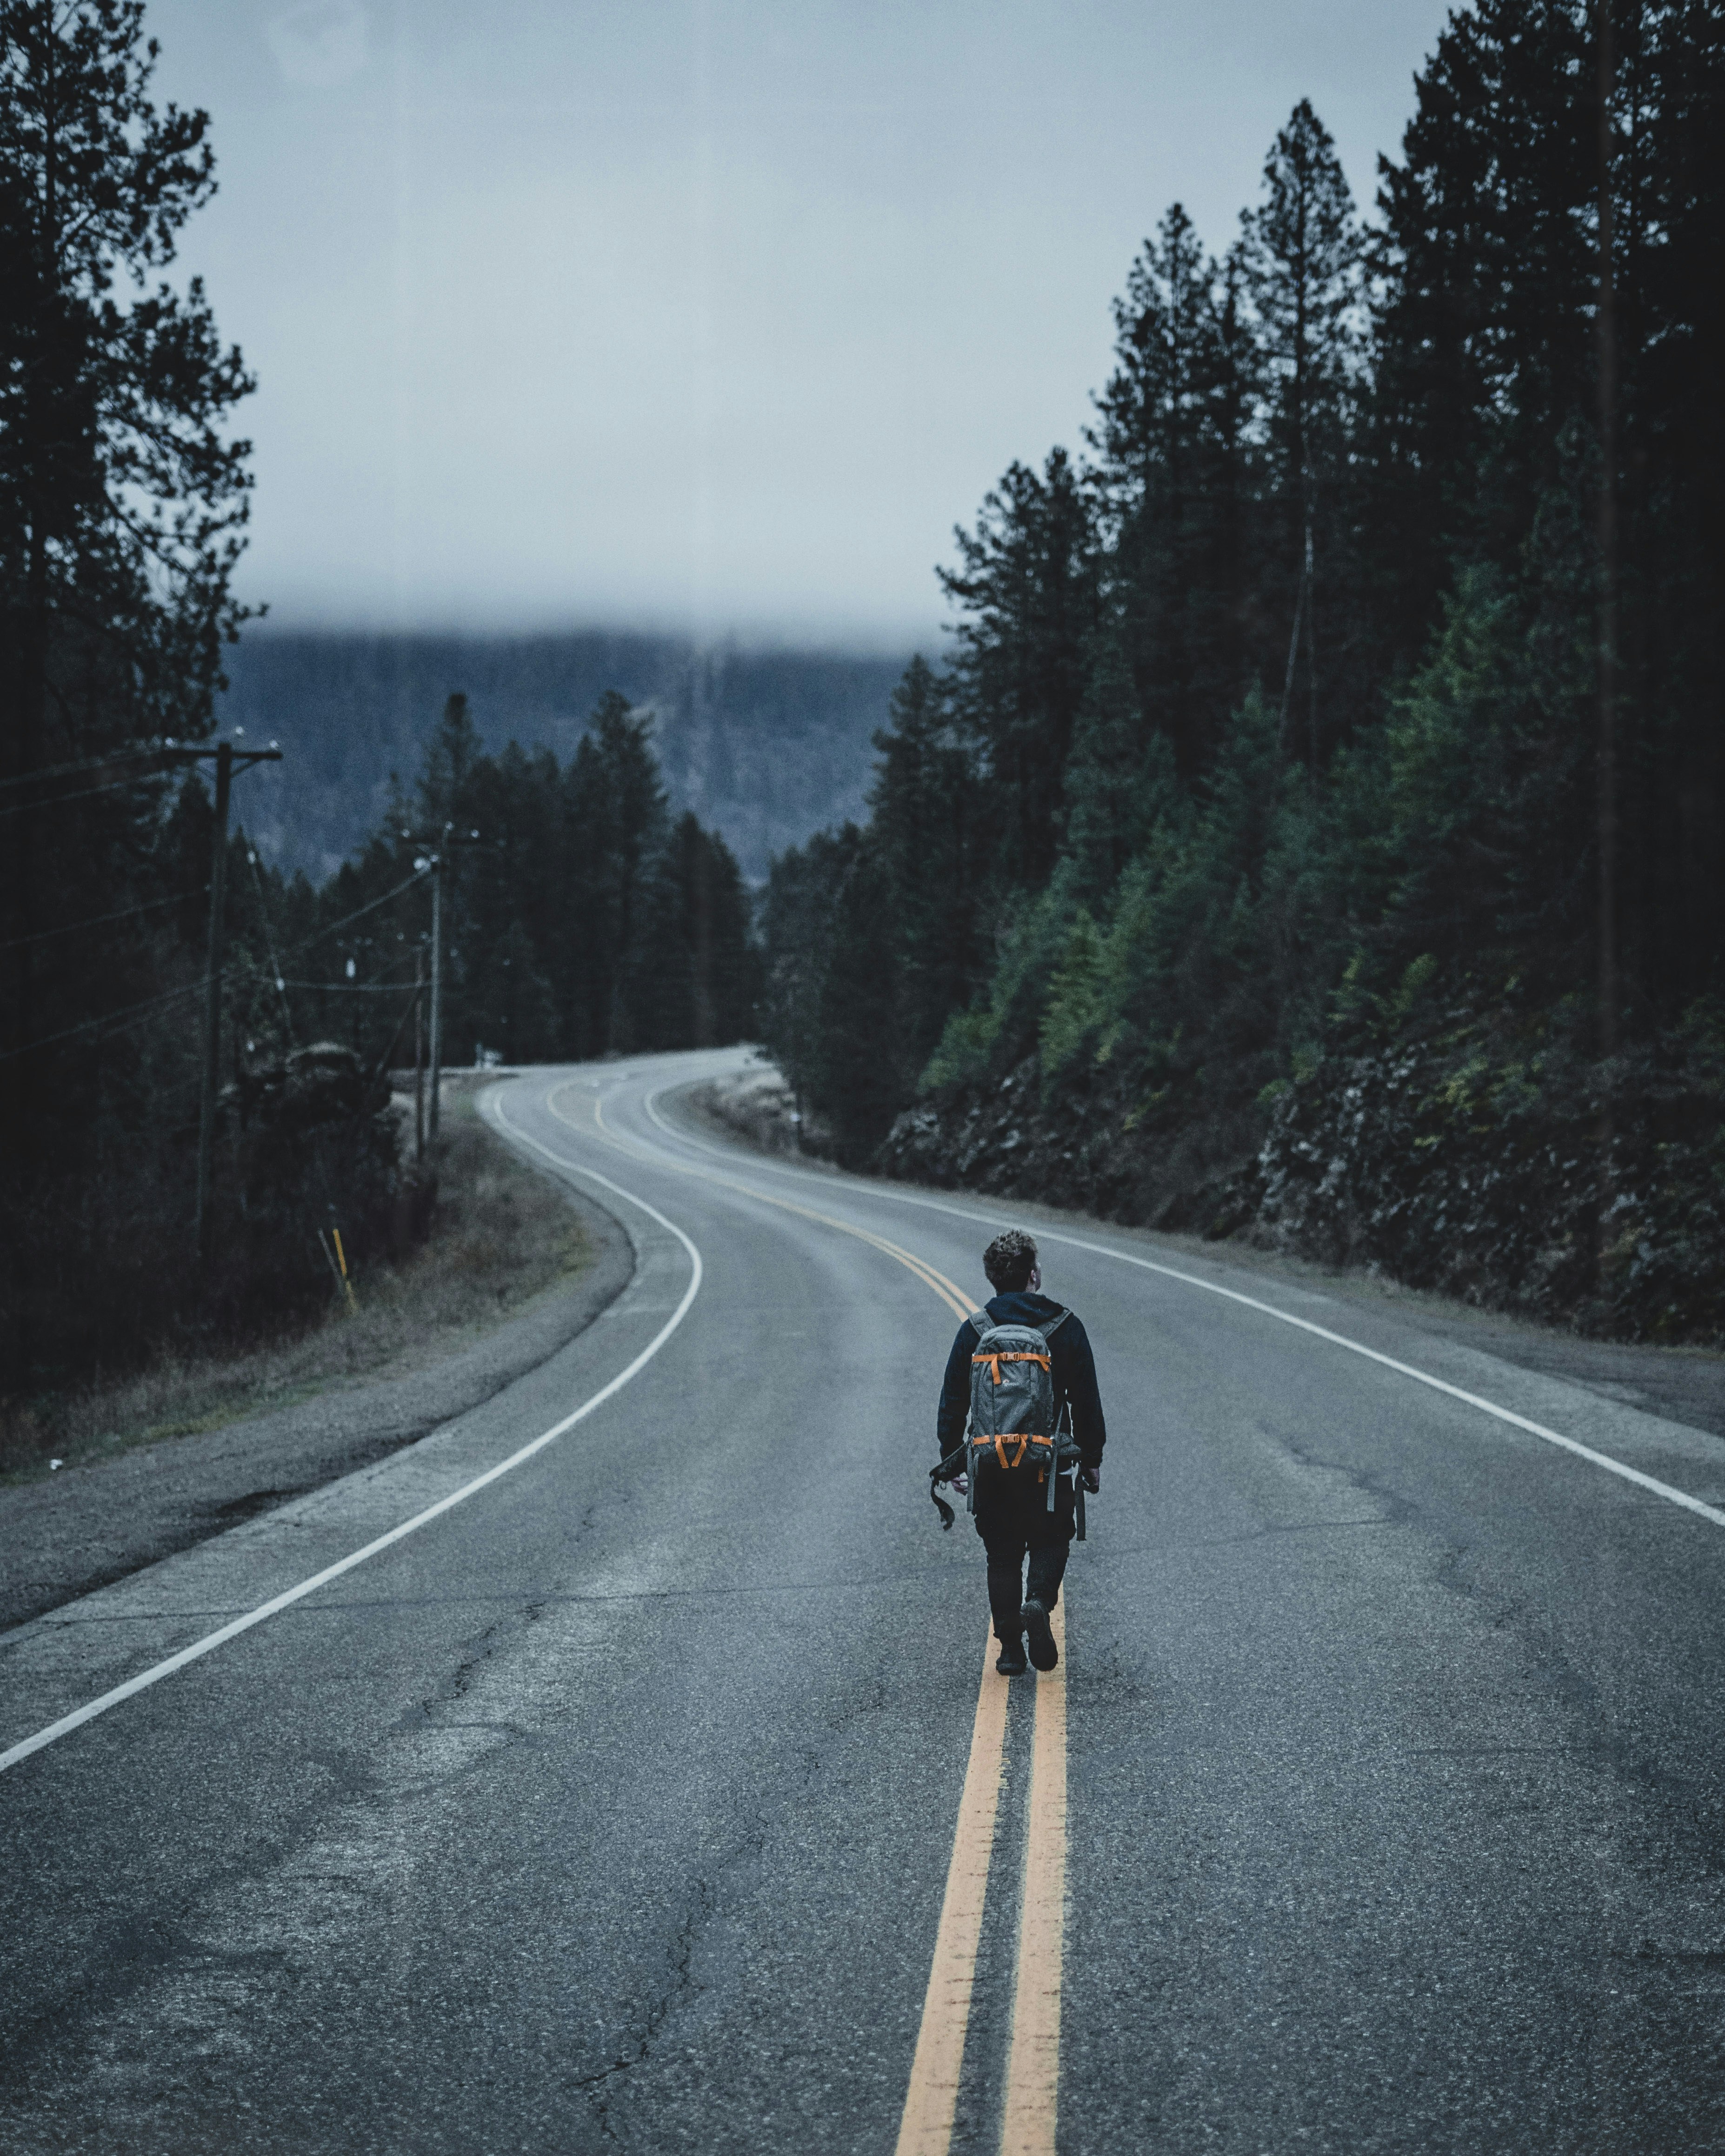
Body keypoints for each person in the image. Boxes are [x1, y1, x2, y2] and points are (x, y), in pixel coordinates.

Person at [934, 1229, 1106, 1675]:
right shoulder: (1065, 1325)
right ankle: (1038, 1602)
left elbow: (953, 1402)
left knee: (1002, 1554)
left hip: (990, 1464)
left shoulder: (974, 1330)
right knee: (1051, 1539)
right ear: (1034, 1274)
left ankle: (1010, 1650)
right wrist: (1091, 1459)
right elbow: (1086, 1400)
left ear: (993, 1279)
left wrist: (954, 1459)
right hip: (1046, 1466)